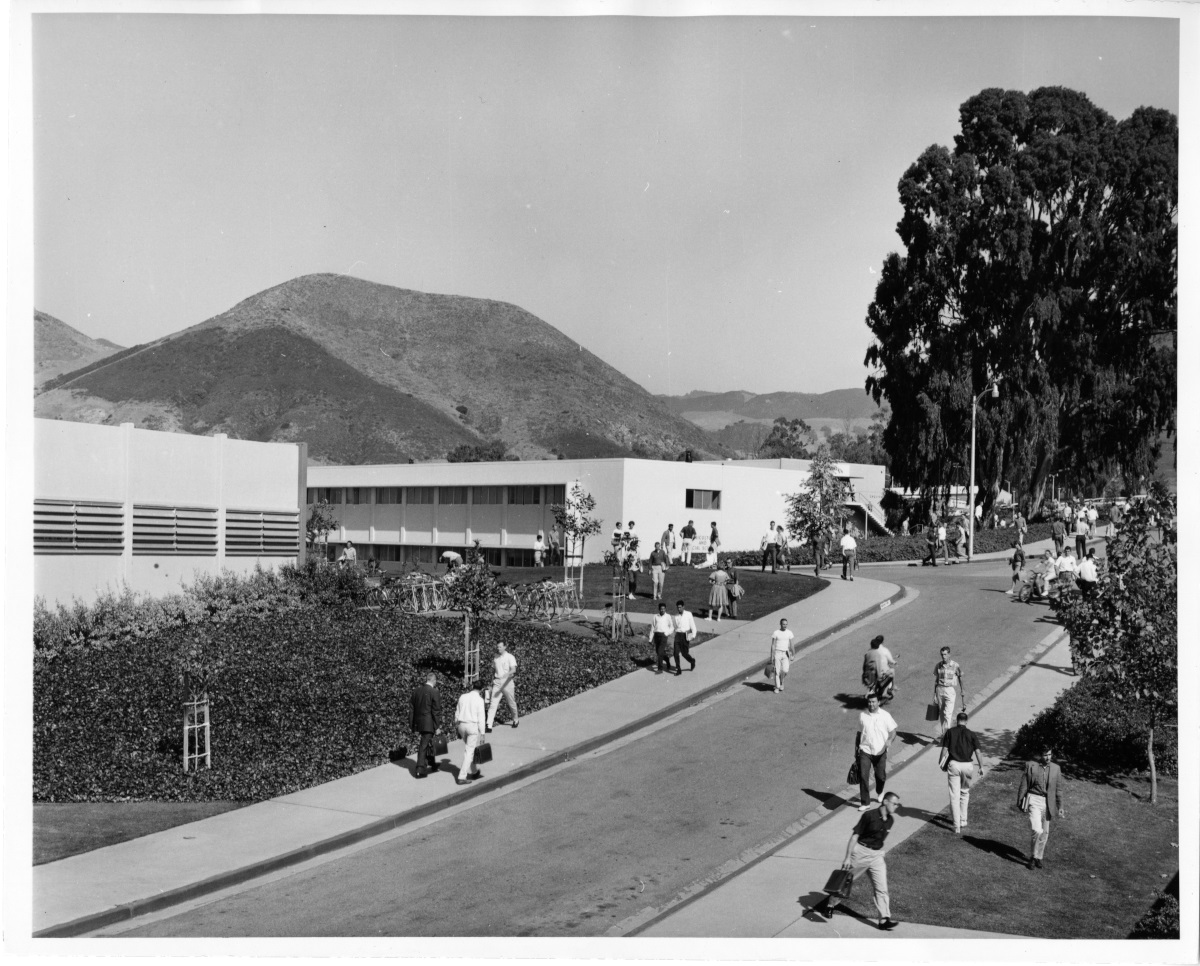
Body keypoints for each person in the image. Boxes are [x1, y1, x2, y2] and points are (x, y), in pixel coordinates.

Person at [814, 791, 902, 930]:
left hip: (876, 856)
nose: (896, 806)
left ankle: (884, 919)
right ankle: (830, 905)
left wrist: (877, 853)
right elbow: (855, 836)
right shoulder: (869, 816)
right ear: (885, 801)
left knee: (881, 888)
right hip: (860, 853)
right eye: (895, 803)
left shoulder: (891, 820)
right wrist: (848, 857)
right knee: (844, 884)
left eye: (898, 804)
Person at [1016, 745, 1065, 869]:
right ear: (1040, 755)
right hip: (1034, 799)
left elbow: (1058, 789)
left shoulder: (1056, 768)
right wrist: (1020, 800)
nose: (1048, 757)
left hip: (1048, 802)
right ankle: (1033, 856)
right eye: (1045, 755)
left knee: (1045, 833)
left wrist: (1060, 806)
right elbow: (1024, 784)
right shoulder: (1031, 766)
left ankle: (1038, 857)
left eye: (1049, 754)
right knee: (1037, 830)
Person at [938, 711, 984, 833]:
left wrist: (941, 762)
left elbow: (944, 749)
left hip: (954, 765)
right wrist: (981, 766)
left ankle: (956, 825)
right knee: (964, 792)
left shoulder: (950, 732)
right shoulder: (972, 734)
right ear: (966, 721)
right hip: (967, 765)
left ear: (956, 720)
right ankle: (963, 820)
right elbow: (978, 752)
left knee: (954, 795)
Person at [855, 693, 898, 810]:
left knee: (880, 776)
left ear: (878, 702)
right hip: (865, 750)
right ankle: (865, 803)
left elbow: (893, 732)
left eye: (874, 702)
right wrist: (856, 751)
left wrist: (889, 740)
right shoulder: (862, 716)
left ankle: (880, 790)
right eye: (869, 702)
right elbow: (859, 733)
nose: (871, 704)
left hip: (880, 751)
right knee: (863, 776)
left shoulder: (885, 715)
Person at [409, 672, 442, 779]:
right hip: (429, 723)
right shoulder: (434, 691)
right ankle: (419, 769)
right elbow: (436, 711)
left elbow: (412, 709)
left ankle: (432, 764)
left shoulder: (416, 691)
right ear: (433, 680)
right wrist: (437, 726)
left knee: (428, 743)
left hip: (419, 722)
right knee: (424, 744)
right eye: (436, 681)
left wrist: (412, 724)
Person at [453, 681, 487, 785]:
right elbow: (481, 717)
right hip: (472, 726)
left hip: (461, 725)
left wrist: (456, 726)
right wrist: (482, 733)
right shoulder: (480, 700)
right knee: (469, 751)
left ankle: (475, 771)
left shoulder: (463, 696)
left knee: (470, 749)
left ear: (472, 687)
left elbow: (457, 712)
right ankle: (462, 776)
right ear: (481, 690)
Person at [931, 646, 965, 741]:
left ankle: (947, 736)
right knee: (942, 713)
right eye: (942, 654)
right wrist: (934, 695)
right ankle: (944, 733)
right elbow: (936, 680)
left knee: (947, 713)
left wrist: (963, 690)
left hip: (950, 690)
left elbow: (960, 677)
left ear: (949, 654)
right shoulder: (938, 665)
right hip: (940, 690)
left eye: (945, 654)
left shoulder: (955, 665)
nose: (943, 656)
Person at [484, 642, 519, 732]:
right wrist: (492, 682)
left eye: (500, 647)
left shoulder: (510, 657)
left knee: (511, 703)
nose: (498, 648)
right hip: (497, 682)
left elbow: (514, 669)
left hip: (507, 682)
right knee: (493, 703)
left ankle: (516, 720)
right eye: (497, 647)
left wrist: (507, 674)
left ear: (505, 647)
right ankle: (489, 725)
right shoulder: (496, 657)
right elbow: (494, 669)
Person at [862, 634, 896, 702]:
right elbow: (878, 668)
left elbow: (864, 666)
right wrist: (881, 676)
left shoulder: (867, 653)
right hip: (874, 676)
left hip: (867, 675)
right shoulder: (877, 654)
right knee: (891, 672)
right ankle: (885, 692)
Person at [648, 602, 675, 674]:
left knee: (660, 652)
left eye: (664, 609)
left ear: (665, 609)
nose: (662, 610)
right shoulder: (655, 616)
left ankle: (660, 669)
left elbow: (672, 627)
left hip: (664, 636)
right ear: (659, 609)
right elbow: (652, 628)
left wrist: (666, 633)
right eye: (661, 609)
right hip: (656, 635)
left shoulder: (668, 616)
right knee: (658, 652)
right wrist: (650, 639)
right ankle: (667, 659)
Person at [672, 599, 698, 674]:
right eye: (678, 607)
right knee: (675, 653)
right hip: (678, 635)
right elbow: (675, 627)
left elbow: (693, 625)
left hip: (685, 635)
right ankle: (678, 669)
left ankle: (692, 661)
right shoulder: (676, 616)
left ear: (683, 607)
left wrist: (693, 635)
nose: (679, 609)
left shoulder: (688, 614)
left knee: (684, 654)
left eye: (680, 607)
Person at [768, 618, 794, 693]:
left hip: (786, 653)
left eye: (786, 624)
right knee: (777, 671)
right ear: (780, 624)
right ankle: (777, 687)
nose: (785, 626)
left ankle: (781, 681)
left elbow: (792, 645)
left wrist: (793, 654)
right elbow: (773, 645)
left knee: (785, 670)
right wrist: (772, 656)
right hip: (777, 653)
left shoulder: (789, 633)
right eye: (783, 624)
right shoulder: (776, 633)